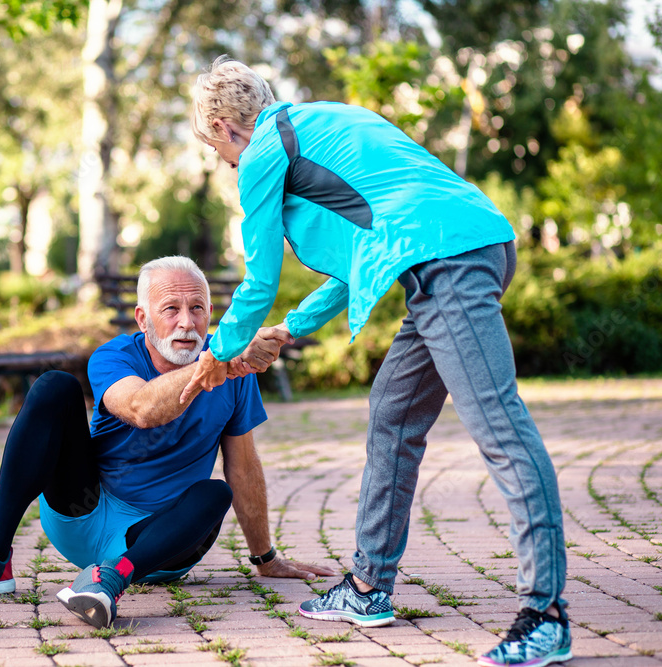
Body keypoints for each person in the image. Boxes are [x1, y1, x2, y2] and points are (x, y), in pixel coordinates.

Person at [182, 56, 571, 667]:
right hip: (457, 254)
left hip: (447, 260)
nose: (225, 164)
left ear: (226, 127)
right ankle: (367, 587)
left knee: (501, 428)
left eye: (217, 150)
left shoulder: (261, 151)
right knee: (392, 410)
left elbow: (257, 281)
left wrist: (216, 357)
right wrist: (289, 331)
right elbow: (354, 262)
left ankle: (545, 615)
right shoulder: (327, 119)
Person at [0, 255, 333, 629]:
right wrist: (220, 362)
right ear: (142, 319)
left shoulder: (234, 375)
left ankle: (111, 580)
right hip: (85, 511)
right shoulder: (115, 357)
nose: (187, 323)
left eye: (197, 309)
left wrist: (264, 557)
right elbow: (141, 408)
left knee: (214, 493)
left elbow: (242, 466)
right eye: (170, 309)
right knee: (54, 387)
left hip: (160, 542)